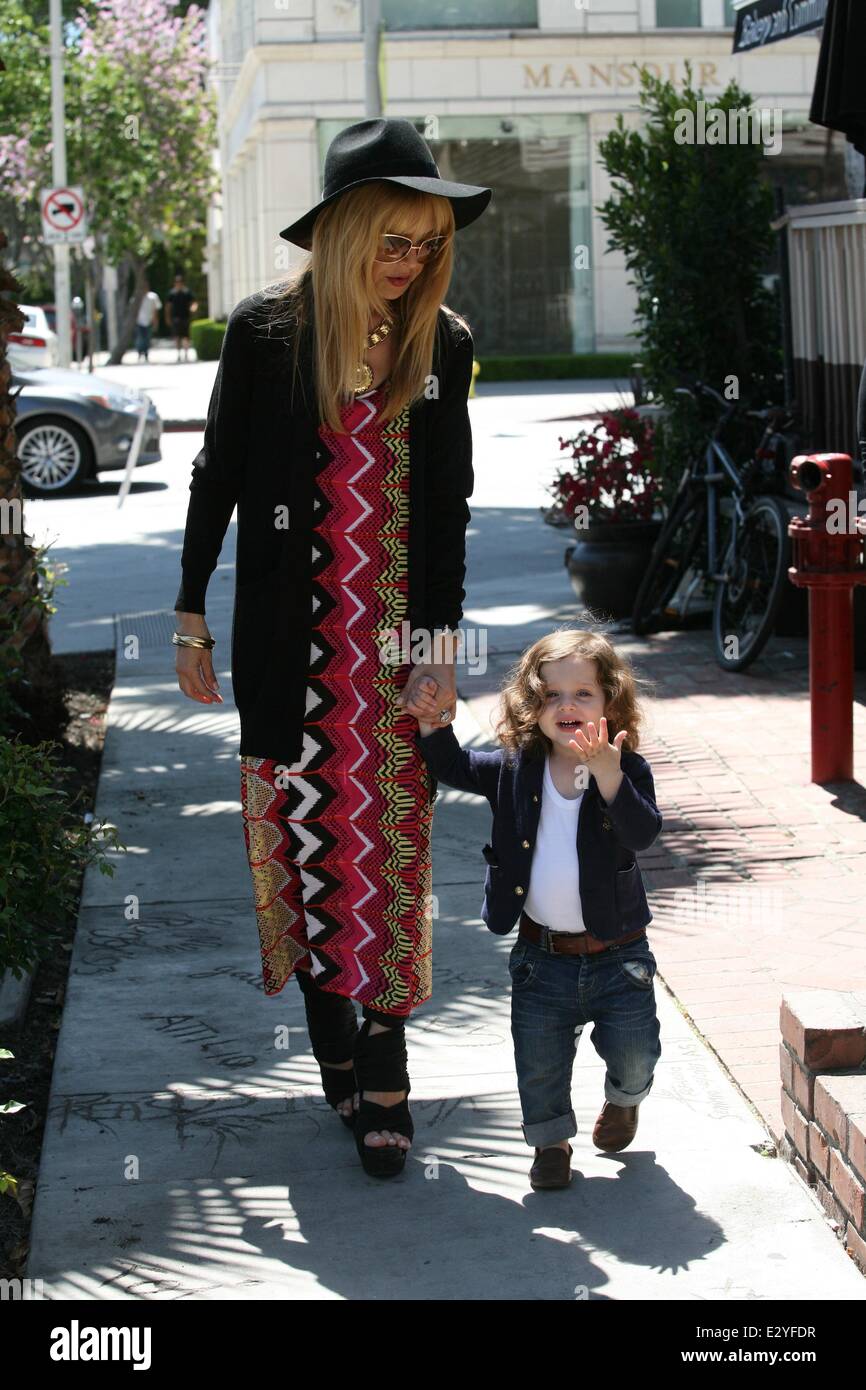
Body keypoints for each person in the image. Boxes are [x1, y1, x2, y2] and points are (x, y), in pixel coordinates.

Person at [172, 117, 492, 1179]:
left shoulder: (438, 342)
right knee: (309, 858)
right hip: (287, 651)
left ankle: (387, 1065)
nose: (407, 264)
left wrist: (436, 649)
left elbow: (444, 509)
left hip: (391, 655)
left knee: (391, 857)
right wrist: (188, 613)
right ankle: (334, 1047)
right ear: (344, 233)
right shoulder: (268, 333)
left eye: (425, 244)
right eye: (391, 241)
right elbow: (217, 475)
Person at [410, 628, 663, 1191]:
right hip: (541, 954)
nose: (567, 705)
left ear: (611, 703)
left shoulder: (626, 769)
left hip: (619, 954)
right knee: (539, 1059)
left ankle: (624, 1099)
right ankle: (551, 1144)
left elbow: (642, 833)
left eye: (583, 694)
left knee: (636, 1050)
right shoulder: (512, 768)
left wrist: (608, 774)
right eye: (551, 696)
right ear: (532, 705)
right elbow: (453, 766)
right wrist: (431, 721)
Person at [167, 274, 199, 361]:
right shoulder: (172, 293)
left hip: (185, 317)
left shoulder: (187, 292)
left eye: (180, 282)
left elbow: (194, 302)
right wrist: (168, 318)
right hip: (176, 318)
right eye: (177, 282)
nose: (179, 283)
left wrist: (193, 308)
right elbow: (168, 306)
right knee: (177, 337)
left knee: (186, 337)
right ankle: (178, 354)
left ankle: (186, 354)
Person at [134, 282, 161, 362]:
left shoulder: (153, 296)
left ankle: (146, 353)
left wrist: (155, 320)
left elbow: (156, 309)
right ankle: (139, 352)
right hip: (139, 321)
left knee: (147, 338)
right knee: (140, 338)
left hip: (149, 320)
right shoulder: (137, 297)